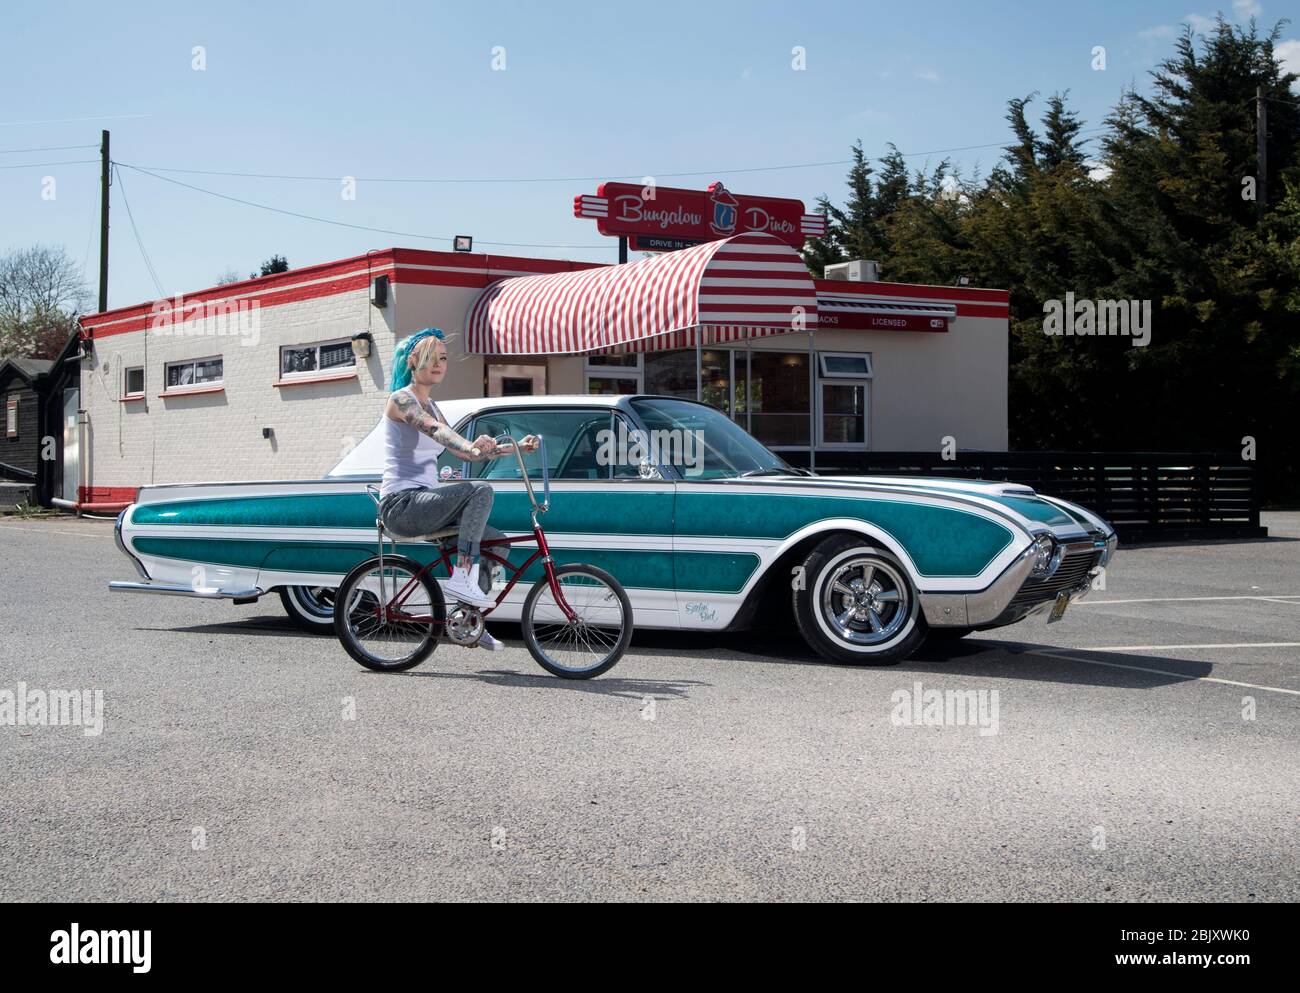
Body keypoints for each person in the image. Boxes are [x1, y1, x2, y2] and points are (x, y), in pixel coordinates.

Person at [378, 328, 539, 651]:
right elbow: (437, 432)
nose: (439, 364)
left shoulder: (432, 405)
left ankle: (468, 622)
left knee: (497, 543)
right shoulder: (402, 399)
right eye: (430, 357)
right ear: (412, 360)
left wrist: (515, 447)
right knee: (480, 489)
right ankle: (463, 576)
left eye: (443, 358)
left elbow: (465, 452)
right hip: (401, 504)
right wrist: (470, 445)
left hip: (424, 501)